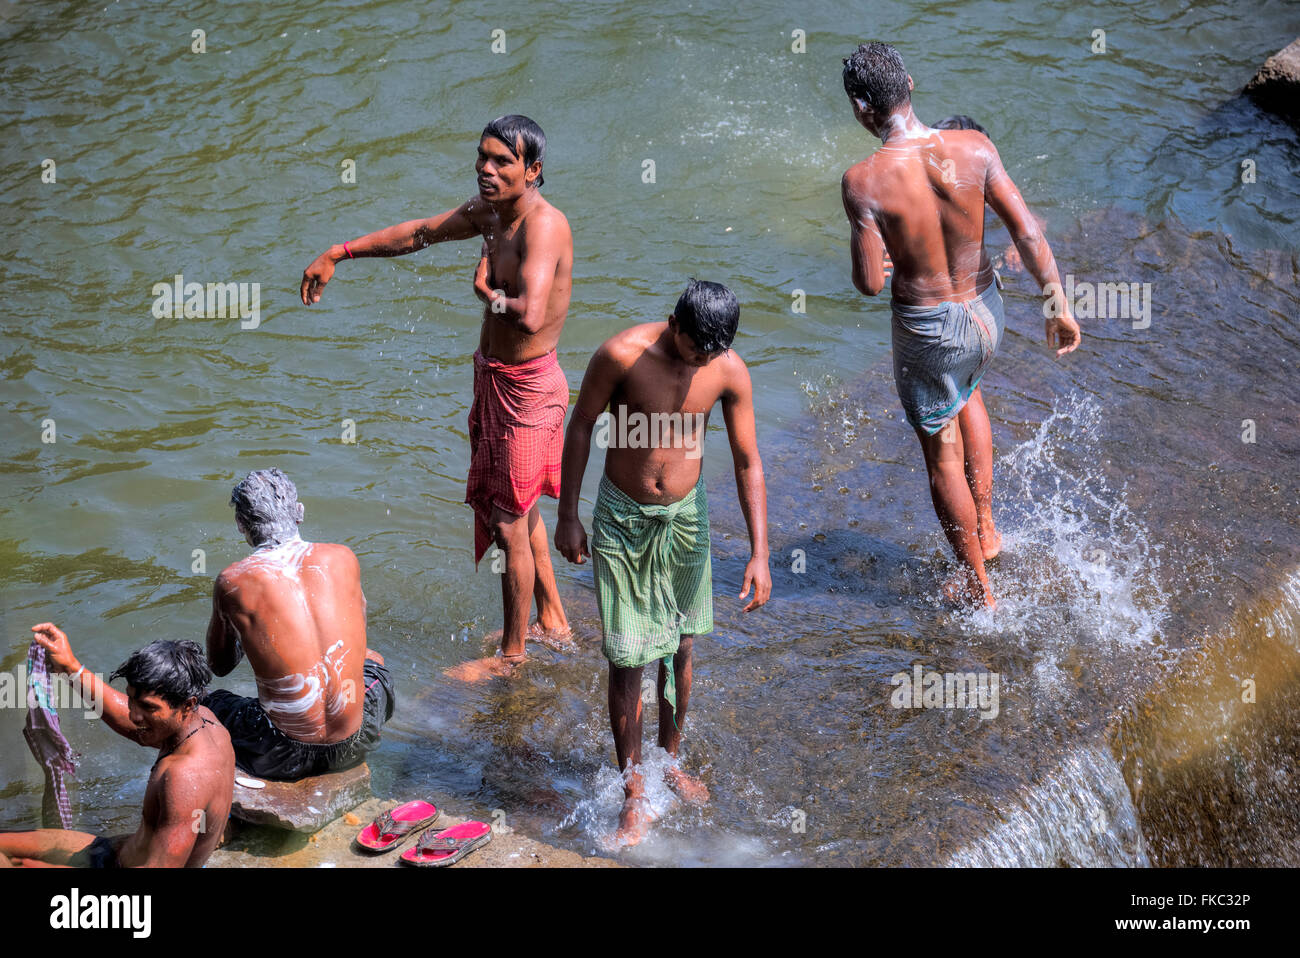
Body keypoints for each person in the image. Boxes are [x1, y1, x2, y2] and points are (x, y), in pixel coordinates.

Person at [300, 115, 574, 680]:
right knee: (521, 510)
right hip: (495, 378)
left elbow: (532, 314)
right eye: (482, 157)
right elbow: (420, 232)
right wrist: (340, 252)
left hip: (528, 390)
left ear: (533, 170)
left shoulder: (544, 228)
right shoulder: (488, 214)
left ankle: (513, 656)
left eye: (502, 161)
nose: (486, 169)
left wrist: (486, 293)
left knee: (507, 522)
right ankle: (552, 617)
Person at [839, 42, 1081, 607]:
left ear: (860, 108)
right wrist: (1057, 303)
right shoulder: (974, 147)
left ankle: (977, 588)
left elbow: (870, 283)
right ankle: (988, 529)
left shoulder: (863, 181)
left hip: (931, 331)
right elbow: (1025, 231)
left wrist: (883, 253)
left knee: (940, 455)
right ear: (911, 83)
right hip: (986, 314)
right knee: (968, 392)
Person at [555, 279, 771, 846]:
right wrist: (568, 515)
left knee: (682, 645)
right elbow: (580, 425)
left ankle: (669, 761)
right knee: (628, 654)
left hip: (687, 519)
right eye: (694, 349)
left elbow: (748, 460)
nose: (701, 361)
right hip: (623, 519)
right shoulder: (621, 354)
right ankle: (634, 791)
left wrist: (761, 552)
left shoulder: (727, 370)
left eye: (711, 354)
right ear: (674, 323)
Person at [203, 468, 394, 780]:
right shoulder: (343, 557)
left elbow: (219, 665)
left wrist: (246, 634)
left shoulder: (232, 581)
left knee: (207, 701)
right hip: (357, 740)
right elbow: (354, 635)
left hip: (281, 754)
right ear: (299, 513)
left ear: (241, 524)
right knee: (373, 662)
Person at [0, 624, 233, 868]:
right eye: (132, 699)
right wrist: (70, 667)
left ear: (187, 704)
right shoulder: (204, 721)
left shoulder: (184, 778)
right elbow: (128, 720)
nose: (134, 715)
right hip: (117, 851)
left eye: (148, 708)